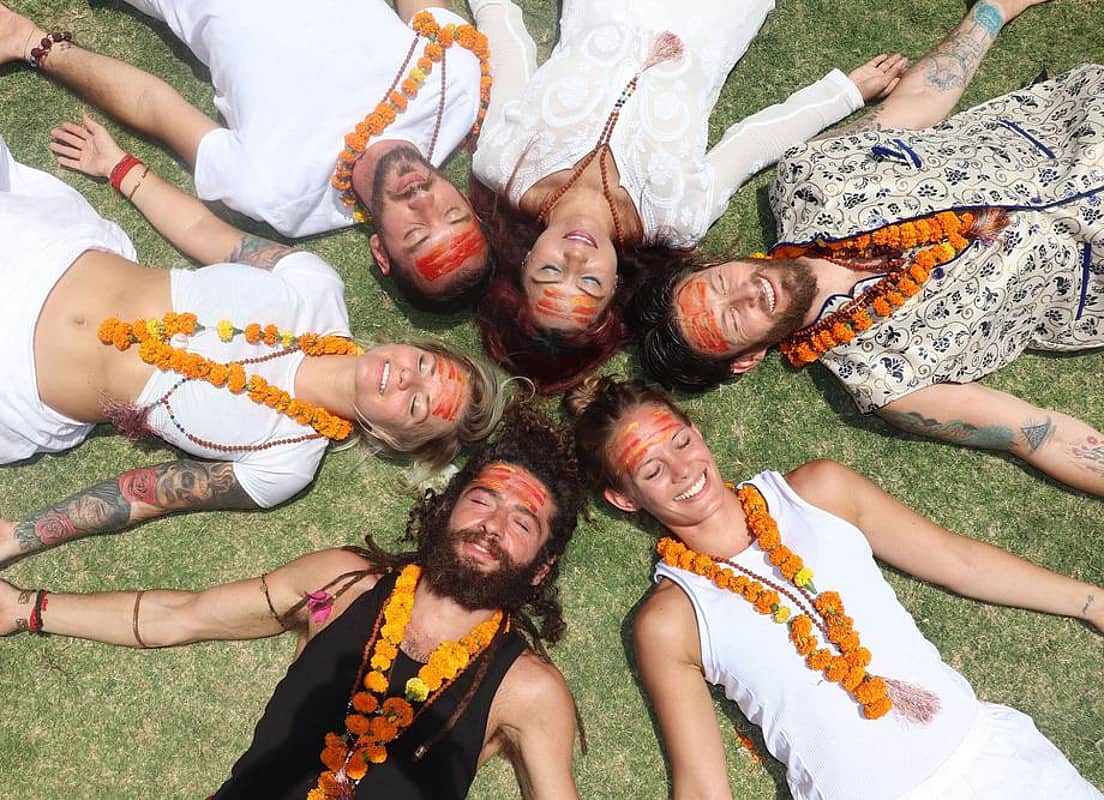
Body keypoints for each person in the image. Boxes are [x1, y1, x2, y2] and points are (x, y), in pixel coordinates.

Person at [0, 72, 505, 566]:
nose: (405, 379)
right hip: (41, 254)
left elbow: (146, 494)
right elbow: (204, 233)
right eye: (424, 364)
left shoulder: (283, 464)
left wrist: (20, 535)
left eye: (419, 405)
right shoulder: (316, 287)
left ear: (395, 438)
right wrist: (122, 169)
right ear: (411, 344)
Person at [0, 408, 586, 800]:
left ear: (540, 569)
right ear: (446, 507)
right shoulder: (346, 582)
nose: (493, 525)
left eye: (523, 522)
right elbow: (182, 615)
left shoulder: (527, 690)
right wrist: (27, 607)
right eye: (483, 499)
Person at [630, 1, 1104, 495]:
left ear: (720, 263)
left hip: (1079, 126)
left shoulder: (808, 179)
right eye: (730, 320)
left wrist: (994, 10)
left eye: (720, 283)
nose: (745, 294)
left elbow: (916, 102)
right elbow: (1038, 433)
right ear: (745, 359)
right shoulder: (889, 381)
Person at [566, 375, 1103, 799]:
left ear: (698, 433)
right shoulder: (671, 620)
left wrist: (1090, 601)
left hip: (994, 763)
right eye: (652, 470)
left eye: (681, 442)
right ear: (625, 498)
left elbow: (958, 561)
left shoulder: (818, 492)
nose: (684, 470)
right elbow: (704, 786)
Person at [0, 0, 539, 310]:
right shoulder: (456, 86)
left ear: (382, 251)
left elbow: (157, 106)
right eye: (452, 215)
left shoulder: (279, 195)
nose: (423, 203)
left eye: (415, 236)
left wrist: (34, 45)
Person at [468, 0, 911, 392]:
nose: (575, 259)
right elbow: (750, 145)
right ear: (614, 286)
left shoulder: (500, 164)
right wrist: (845, 94)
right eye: (590, 282)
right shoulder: (677, 217)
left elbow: (507, 43)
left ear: (526, 260)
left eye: (549, 270)